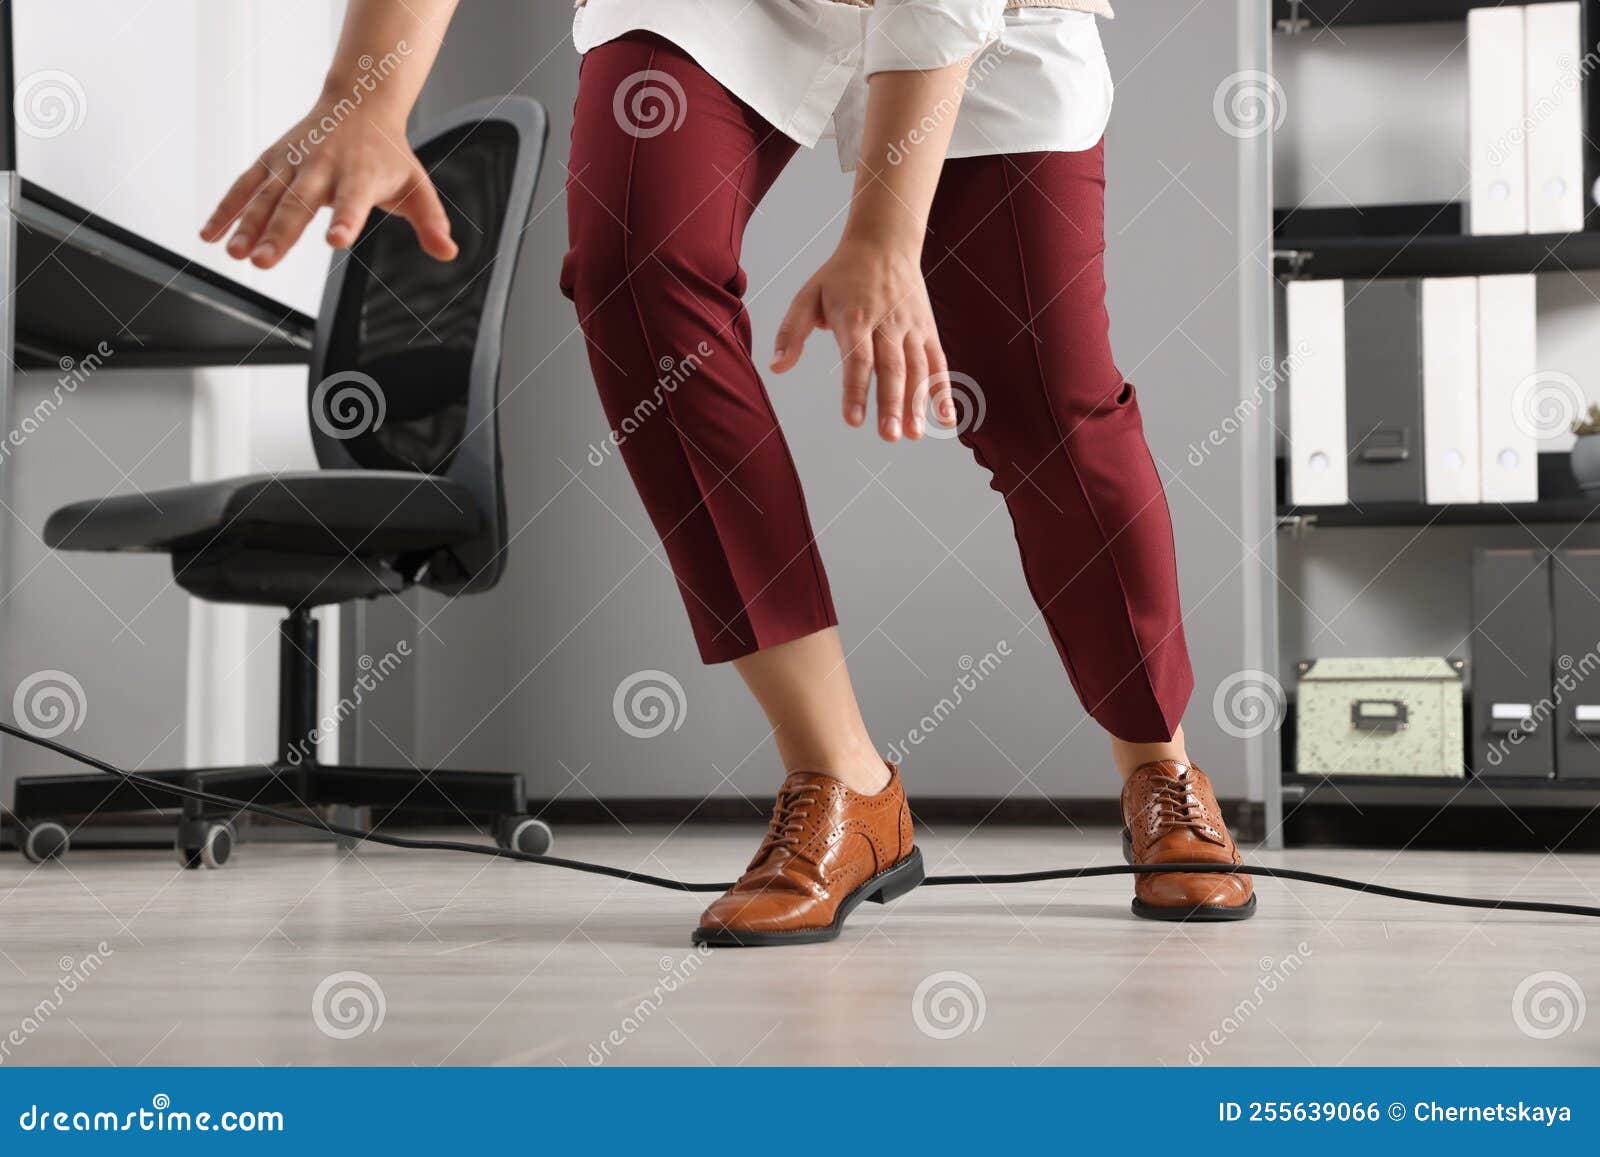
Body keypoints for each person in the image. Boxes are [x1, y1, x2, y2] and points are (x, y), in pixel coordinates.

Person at [200, 0, 1254, 947]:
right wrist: (362, 97)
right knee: (633, 268)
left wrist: (884, 236)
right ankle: (843, 780)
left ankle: (1159, 766)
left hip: (987, 21)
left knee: (1041, 400)